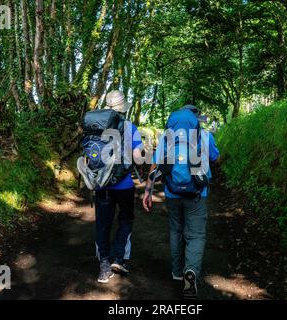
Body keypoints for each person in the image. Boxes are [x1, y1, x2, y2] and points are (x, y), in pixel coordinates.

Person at [142, 105, 220, 299]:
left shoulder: (166, 138)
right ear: (194, 121)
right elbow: (215, 158)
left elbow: (156, 164)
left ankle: (177, 272)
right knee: (196, 235)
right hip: (197, 194)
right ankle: (191, 272)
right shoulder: (205, 136)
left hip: (172, 193)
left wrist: (147, 191)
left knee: (176, 230)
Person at [93, 90, 142, 283]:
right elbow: (138, 159)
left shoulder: (96, 126)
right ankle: (119, 259)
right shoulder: (130, 127)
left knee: (103, 224)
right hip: (124, 185)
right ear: (123, 108)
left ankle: (104, 267)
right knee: (126, 220)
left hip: (102, 185)